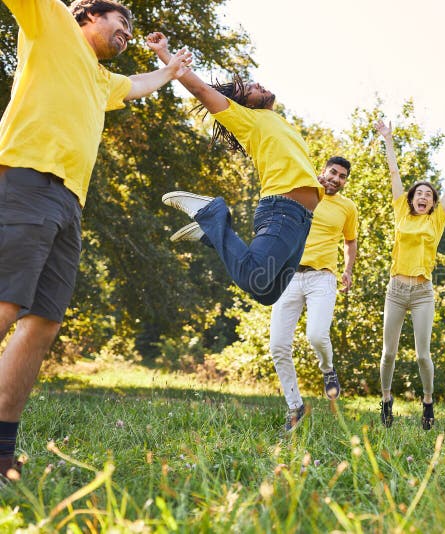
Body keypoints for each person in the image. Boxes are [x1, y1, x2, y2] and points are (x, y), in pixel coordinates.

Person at [0, 0, 192, 482]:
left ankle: (1, 451)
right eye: (120, 21)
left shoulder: (101, 79)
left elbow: (138, 86)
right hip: (25, 180)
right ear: (87, 15)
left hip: (69, 203)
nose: (127, 31)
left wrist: (169, 70)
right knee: (5, 305)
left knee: (42, 323)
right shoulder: (52, 21)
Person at [146, 32, 323, 307]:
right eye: (252, 88)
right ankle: (211, 213)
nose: (259, 85)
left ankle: (210, 235)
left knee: (267, 293)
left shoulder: (276, 121)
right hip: (281, 210)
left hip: (302, 220)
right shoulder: (245, 119)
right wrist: (167, 57)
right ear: (244, 103)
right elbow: (202, 90)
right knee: (254, 278)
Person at [374, 119, 445, 430]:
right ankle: (386, 399)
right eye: (418, 193)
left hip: (422, 293)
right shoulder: (401, 212)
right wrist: (388, 139)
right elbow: (394, 173)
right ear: (411, 198)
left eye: (428, 196)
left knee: (422, 356)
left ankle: (428, 402)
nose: (423, 197)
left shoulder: (436, 220)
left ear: (432, 204)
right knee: (388, 353)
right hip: (395, 289)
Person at [268, 156, 358, 432]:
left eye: (342, 176)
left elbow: (350, 240)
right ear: (323, 171)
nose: (336, 178)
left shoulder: (347, 207)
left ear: (345, 181)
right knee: (278, 346)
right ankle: (294, 406)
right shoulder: (301, 193)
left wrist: (348, 270)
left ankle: (328, 369)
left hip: (323, 277)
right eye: (333, 172)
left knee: (316, 335)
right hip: (289, 275)